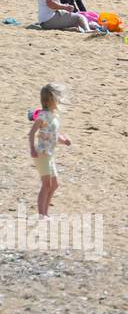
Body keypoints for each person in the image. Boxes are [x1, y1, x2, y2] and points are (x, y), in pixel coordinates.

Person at [29, 83, 72, 218]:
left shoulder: (54, 117)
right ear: (48, 100)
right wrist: (32, 149)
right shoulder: (42, 116)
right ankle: (42, 215)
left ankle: (45, 213)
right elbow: (31, 133)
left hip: (49, 154)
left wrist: (64, 141)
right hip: (41, 154)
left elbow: (53, 136)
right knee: (46, 185)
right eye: (56, 98)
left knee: (54, 185)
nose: (58, 101)